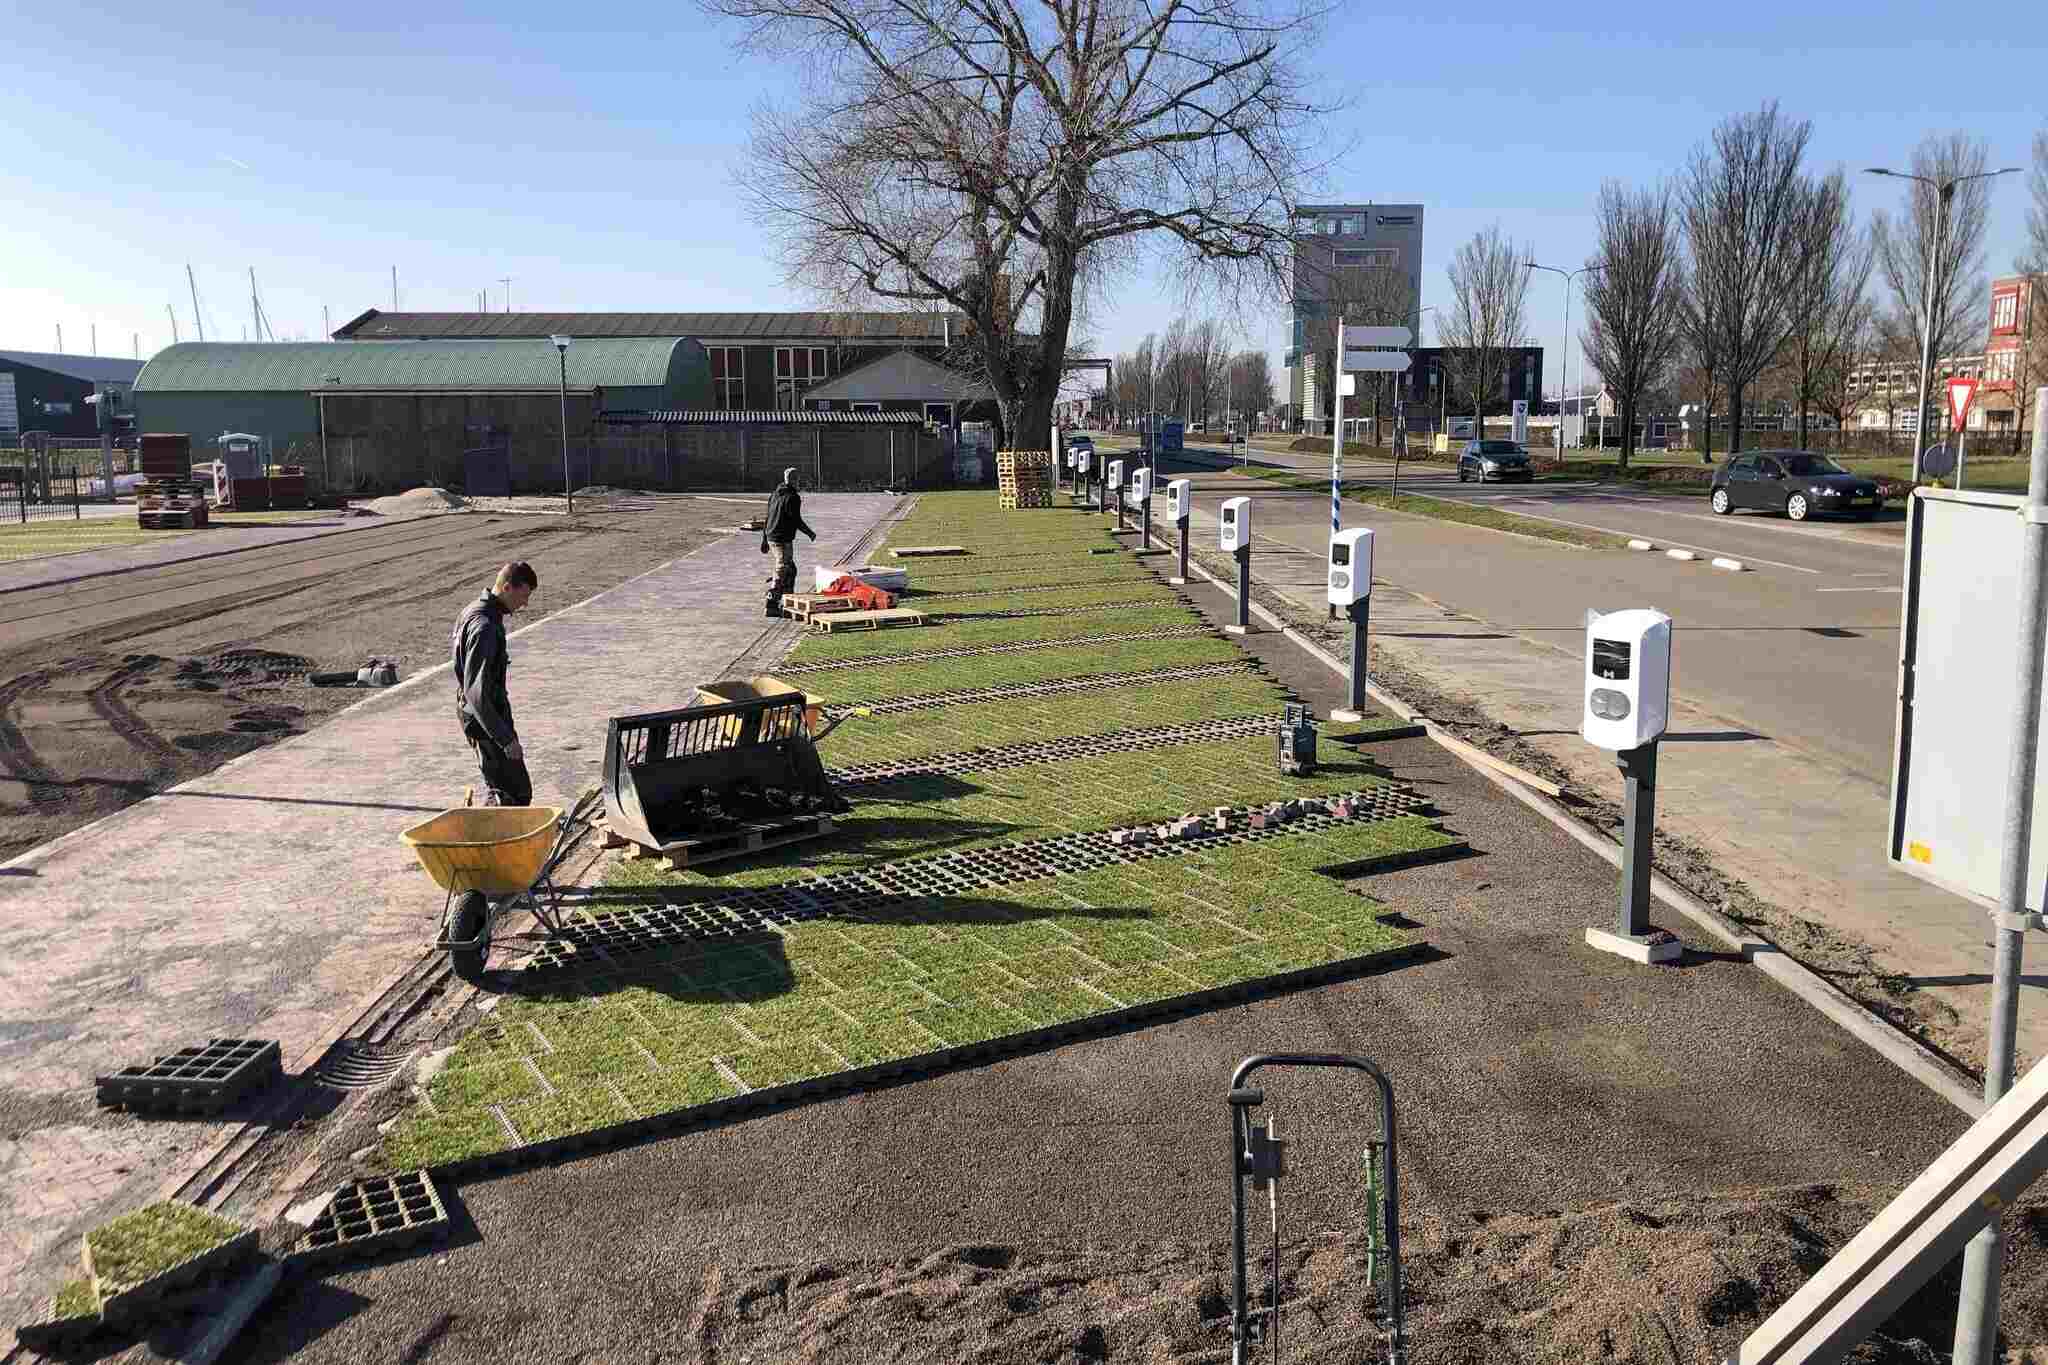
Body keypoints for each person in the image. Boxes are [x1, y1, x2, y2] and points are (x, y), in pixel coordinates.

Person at [453, 561, 536, 806]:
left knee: (506, 789)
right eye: (524, 595)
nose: (525, 603)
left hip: (482, 716)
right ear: (508, 587)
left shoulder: (474, 611)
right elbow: (477, 692)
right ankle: (490, 839)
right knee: (511, 794)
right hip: (486, 719)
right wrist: (505, 739)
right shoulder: (484, 626)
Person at [761, 466, 818, 617]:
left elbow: (767, 517)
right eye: (798, 479)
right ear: (793, 480)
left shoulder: (774, 494)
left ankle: (788, 601)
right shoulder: (793, 497)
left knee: (790, 569)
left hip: (772, 535)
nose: (800, 482)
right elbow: (796, 520)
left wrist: (764, 540)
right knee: (783, 567)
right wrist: (809, 533)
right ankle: (771, 604)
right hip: (782, 538)